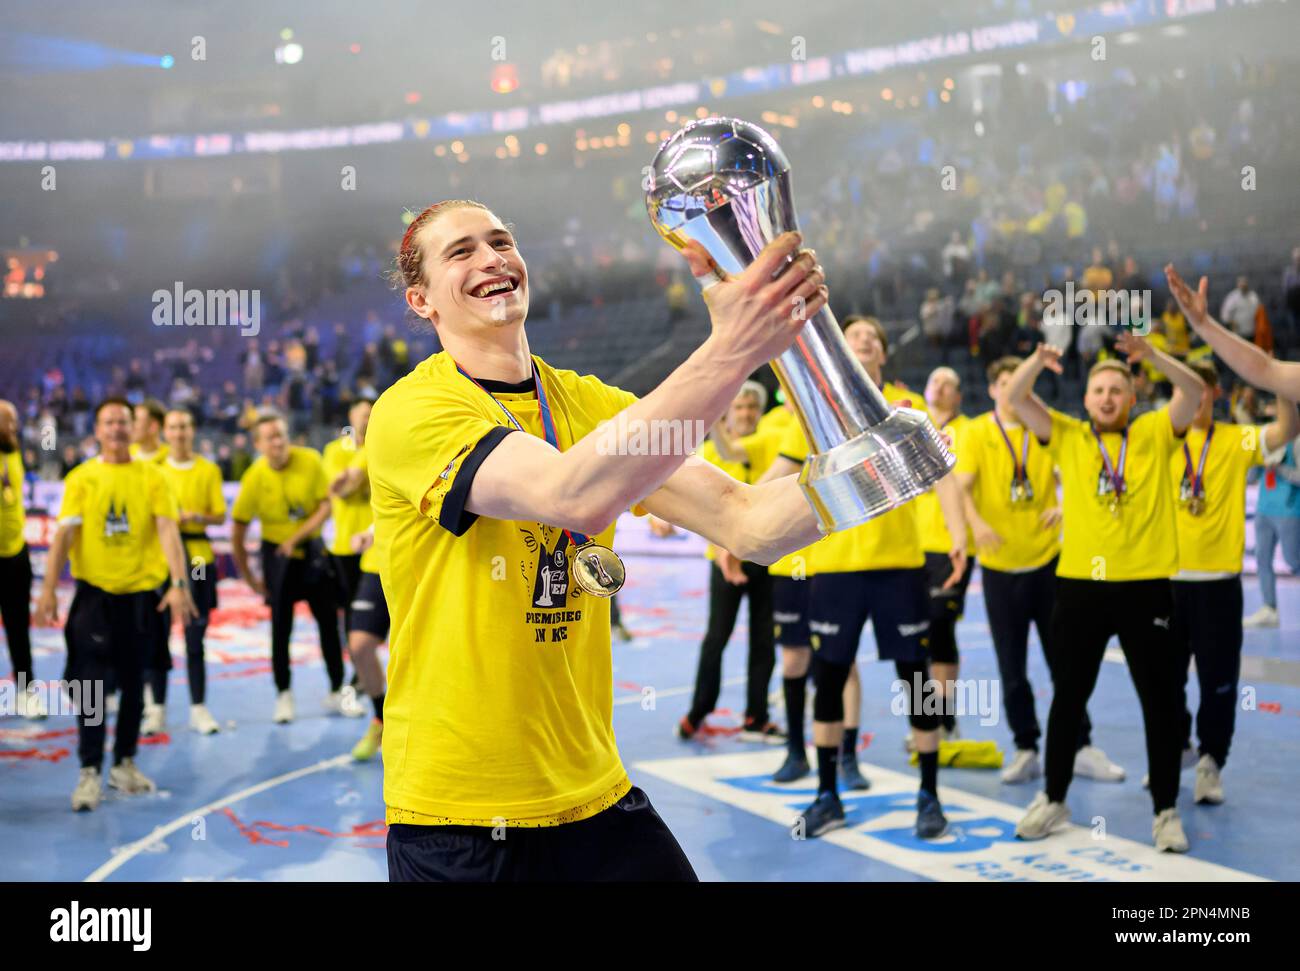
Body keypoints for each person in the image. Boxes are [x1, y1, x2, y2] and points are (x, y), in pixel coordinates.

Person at [369, 199, 827, 882]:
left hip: (596, 798)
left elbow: (749, 523)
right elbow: (569, 493)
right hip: (459, 819)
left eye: (501, 240)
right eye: (460, 252)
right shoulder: (412, 410)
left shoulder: (590, 403)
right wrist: (732, 346)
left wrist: (876, 471)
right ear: (421, 298)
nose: (492, 258)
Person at [1006, 334, 1206, 852]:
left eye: (1118, 389)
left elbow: (1195, 388)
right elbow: (1015, 399)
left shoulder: (1156, 430)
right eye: (1099, 389)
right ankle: (1054, 797)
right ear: (1087, 398)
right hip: (1081, 589)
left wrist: (1156, 358)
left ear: (1133, 397)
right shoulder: (1069, 434)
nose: (1108, 397)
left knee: (1159, 705)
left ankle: (1165, 810)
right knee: (1068, 698)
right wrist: (1036, 360)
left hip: (1146, 587)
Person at [793, 315, 969, 839]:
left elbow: (945, 477)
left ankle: (930, 796)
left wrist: (957, 536)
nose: (865, 339)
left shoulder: (906, 407)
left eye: (874, 334)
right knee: (827, 680)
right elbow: (788, 474)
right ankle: (828, 795)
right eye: (854, 334)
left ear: (884, 353)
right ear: (840, 349)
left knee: (916, 683)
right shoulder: (815, 406)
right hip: (837, 568)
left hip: (899, 568)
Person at [956, 358, 1121, 784]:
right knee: (1011, 666)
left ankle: (1080, 744)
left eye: (1020, 384)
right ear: (994, 390)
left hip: (1048, 562)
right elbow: (961, 487)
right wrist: (975, 525)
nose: (1014, 393)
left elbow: (1086, 473)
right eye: (1006, 384)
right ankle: (1026, 746)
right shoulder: (976, 432)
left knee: (1064, 660)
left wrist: (1064, 505)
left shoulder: (1042, 428)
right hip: (999, 566)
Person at [34, 398, 197, 811]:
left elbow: (168, 532)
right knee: (89, 687)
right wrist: (49, 589)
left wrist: (179, 583)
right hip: (95, 598)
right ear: (97, 428)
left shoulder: (153, 476)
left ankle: (124, 762)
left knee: (135, 685)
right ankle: (89, 769)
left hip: (142, 598)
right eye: (109, 422)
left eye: (124, 422)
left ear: (135, 428)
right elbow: (62, 538)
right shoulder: (82, 478)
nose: (117, 429)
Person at [1168, 360, 1297, 804]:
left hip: (1219, 584)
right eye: (1186, 389)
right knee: (1163, 681)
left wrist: (1276, 380)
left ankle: (1210, 761)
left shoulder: (1234, 439)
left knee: (1218, 681)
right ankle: (1175, 749)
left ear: (1215, 395)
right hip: (1164, 582)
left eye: (1202, 391)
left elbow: (1284, 431)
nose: (1195, 398)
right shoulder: (1157, 439)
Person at [230, 414, 353, 724]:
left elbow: (326, 505)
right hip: (276, 557)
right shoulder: (253, 477)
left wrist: (296, 537)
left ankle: (338, 690)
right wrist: (250, 578)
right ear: (258, 445)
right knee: (280, 628)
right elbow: (238, 531)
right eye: (269, 437)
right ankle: (283, 694)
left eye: (281, 435)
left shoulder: (310, 460)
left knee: (328, 623)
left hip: (310, 551)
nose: (277, 442)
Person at [676, 381, 782, 743]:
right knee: (716, 637)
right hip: (722, 556)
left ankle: (757, 716)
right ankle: (698, 711)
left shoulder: (769, 441)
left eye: (752, 407)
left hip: (765, 556)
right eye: (738, 407)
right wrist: (714, 412)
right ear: (728, 412)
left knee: (763, 639)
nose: (746, 413)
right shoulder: (711, 449)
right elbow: (724, 451)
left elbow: (737, 450)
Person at [154, 408, 227, 735]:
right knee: (156, 634)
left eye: (184, 425)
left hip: (197, 559)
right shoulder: (153, 470)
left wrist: (194, 515)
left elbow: (220, 515)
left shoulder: (208, 469)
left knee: (196, 633)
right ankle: (156, 707)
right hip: (161, 560)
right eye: (174, 426)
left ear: (192, 430)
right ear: (164, 432)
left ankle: (198, 708)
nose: (179, 432)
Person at [914, 366, 974, 741]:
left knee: (940, 629)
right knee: (914, 636)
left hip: (946, 547)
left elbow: (960, 480)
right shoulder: (913, 427)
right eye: (934, 380)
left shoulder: (967, 432)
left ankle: (944, 718)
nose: (940, 387)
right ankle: (923, 720)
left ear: (958, 396)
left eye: (949, 383)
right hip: (910, 547)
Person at [1166, 264, 1300, 399]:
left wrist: (1203, 325)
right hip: (1240, 334)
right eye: (1242, 284)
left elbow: (1266, 371)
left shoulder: (1253, 297)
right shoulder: (1232, 298)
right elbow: (1265, 371)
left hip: (1251, 333)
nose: (1244, 286)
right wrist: (1203, 325)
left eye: (1245, 284)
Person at [0, 400, 44, 718]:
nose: (14, 427)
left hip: (16, 553)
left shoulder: (14, 452)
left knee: (19, 628)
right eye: (8, 421)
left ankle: (26, 693)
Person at [345, 522, 389, 762]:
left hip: (424, 565)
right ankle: (381, 720)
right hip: (377, 568)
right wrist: (370, 532)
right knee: (359, 647)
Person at [1246, 438, 1300, 628]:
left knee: (1294, 560)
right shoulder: (1268, 442)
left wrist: (1279, 467)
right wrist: (1257, 461)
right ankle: (1269, 609)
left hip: (1289, 511)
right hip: (1264, 509)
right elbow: (1250, 478)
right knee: (1262, 558)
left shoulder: (1297, 443)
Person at [129, 398, 169, 464]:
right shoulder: (127, 455)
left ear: (153, 426)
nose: (131, 426)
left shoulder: (171, 458)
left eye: (136, 420)